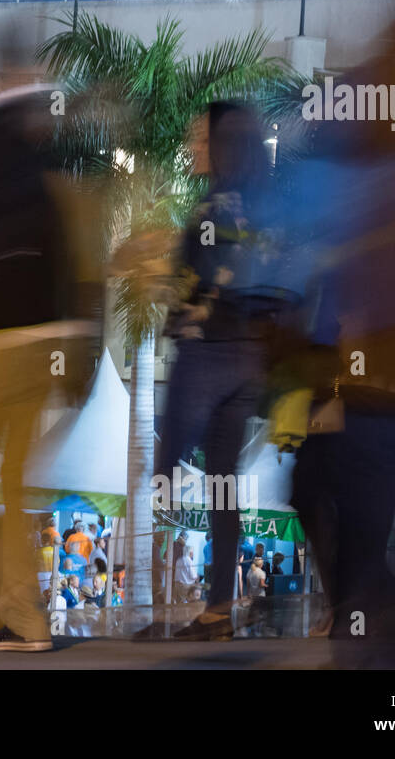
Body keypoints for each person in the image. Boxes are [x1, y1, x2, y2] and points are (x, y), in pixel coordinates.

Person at [0, 82, 101, 654]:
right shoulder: (49, 176)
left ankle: (23, 618)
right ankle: (5, 607)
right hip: (42, 344)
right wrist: (80, 348)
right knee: (5, 482)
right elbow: (82, 266)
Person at [153, 102, 284, 642]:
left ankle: (175, 607)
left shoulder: (214, 205)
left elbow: (207, 274)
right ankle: (216, 612)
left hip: (208, 353)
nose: (191, 147)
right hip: (247, 360)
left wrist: (188, 298)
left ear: (220, 145)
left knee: (162, 469)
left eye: (199, 140)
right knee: (223, 484)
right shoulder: (261, 201)